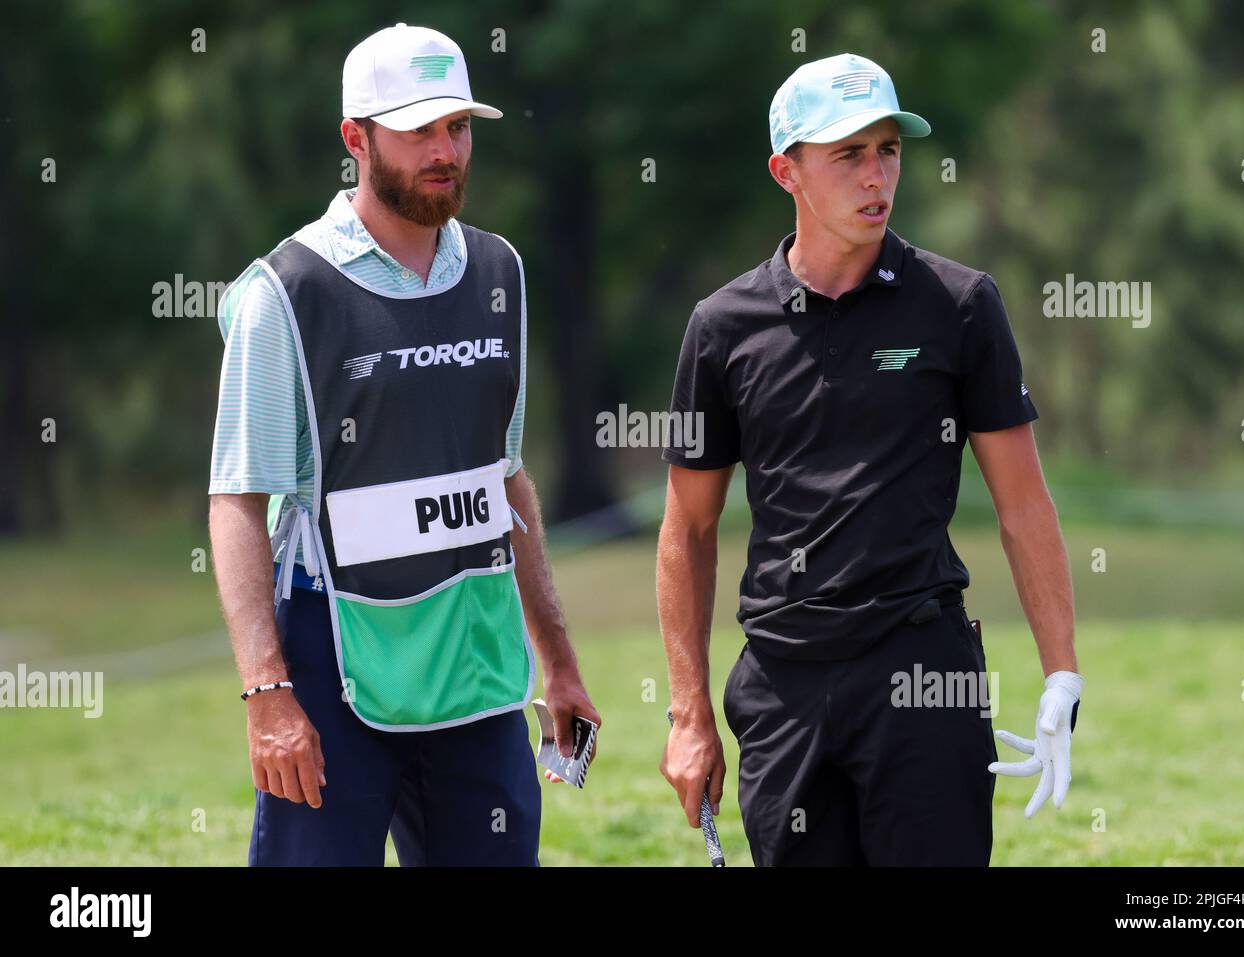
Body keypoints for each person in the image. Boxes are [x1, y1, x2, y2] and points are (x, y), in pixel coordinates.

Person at [657, 53, 1083, 866]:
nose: (876, 174)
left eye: (888, 149)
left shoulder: (960, 305)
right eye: (848, 154)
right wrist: (688, 714)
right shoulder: (722, 326)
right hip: (784, 685)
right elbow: (688, 531)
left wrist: (1061, 671)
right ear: (788, 170)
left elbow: (1024, 505)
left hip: (924, 672)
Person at [208, 22, 598, 866]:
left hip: (480, 668)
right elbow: (236, 502)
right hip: (330, 659)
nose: (445, 149)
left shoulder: (502, 272)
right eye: (418, 128)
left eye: (457, 127)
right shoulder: (286, 290)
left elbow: (508, 479)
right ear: (356, 138)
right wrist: (268, 693)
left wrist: (559, 660)